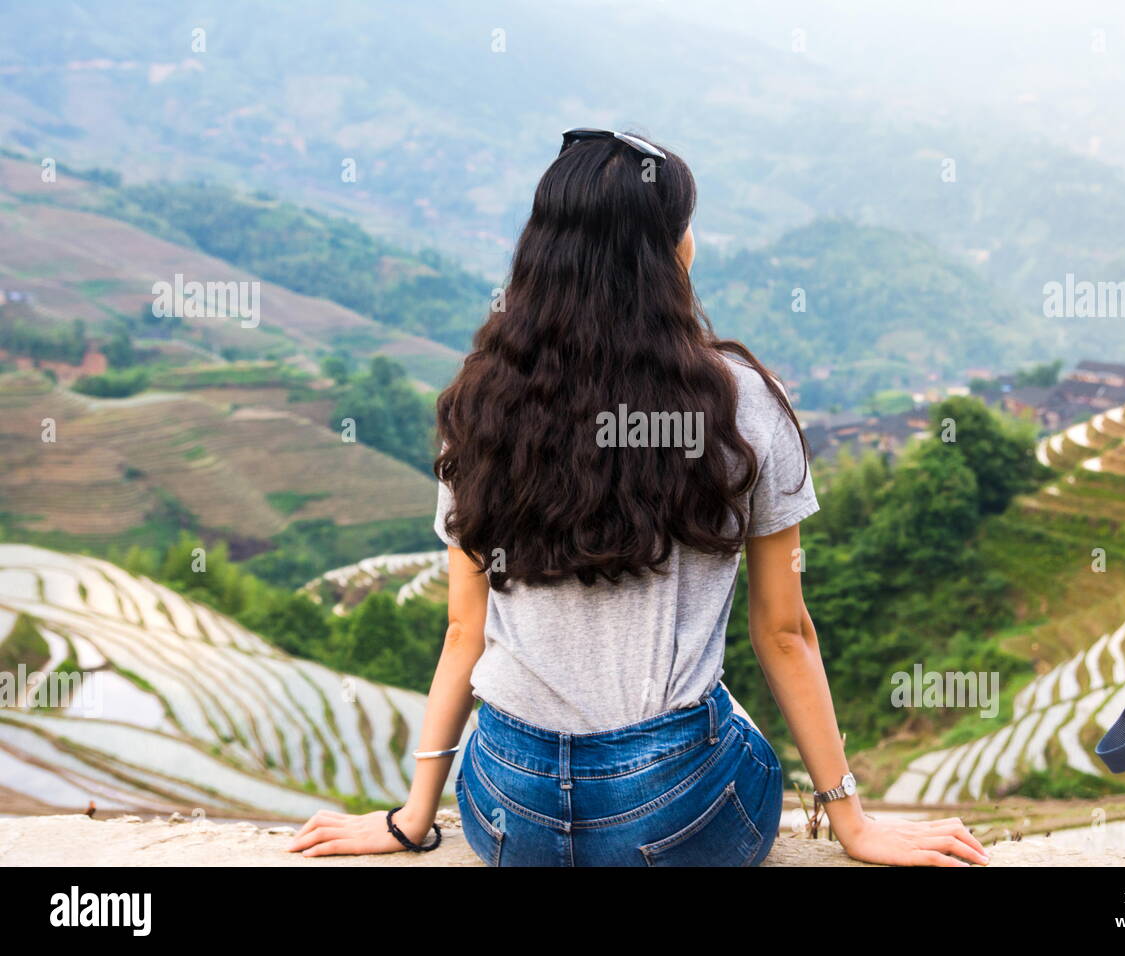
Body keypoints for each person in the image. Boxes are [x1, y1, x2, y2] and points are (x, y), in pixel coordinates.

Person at [290, 129, 987, 867]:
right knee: (733, 724)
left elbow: (466, 633)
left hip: (508, 809)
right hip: (672, 812)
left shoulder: (481, 402)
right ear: (669, 252)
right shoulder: (742, 403)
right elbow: (784, 633)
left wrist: (410, 817)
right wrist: (854, 824)